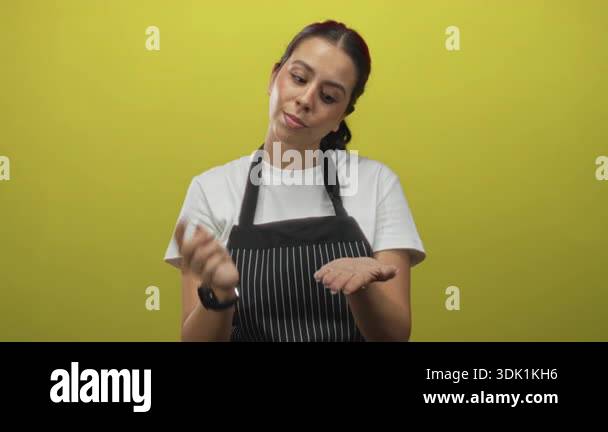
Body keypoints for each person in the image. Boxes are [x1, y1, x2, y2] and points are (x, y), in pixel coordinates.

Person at [164, 20, 426, 342]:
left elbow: (395, 336)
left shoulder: (377, 183)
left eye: (329, 97)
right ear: (274, 77)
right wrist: (219, 294)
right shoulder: (210, 189)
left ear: (341, 116)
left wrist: (362, 288)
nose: (305, 99)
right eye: (299, 78)